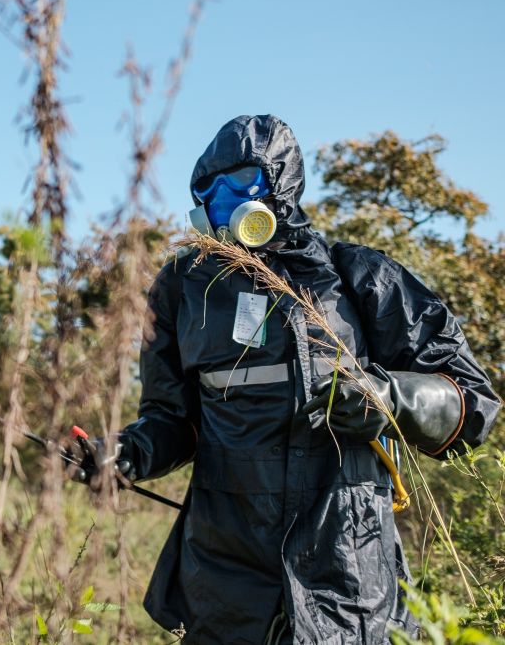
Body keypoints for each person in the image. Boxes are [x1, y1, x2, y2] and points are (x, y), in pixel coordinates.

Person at [74, 115, 500, 643]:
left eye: (242, 184)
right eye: (209, 190)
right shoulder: (183, 289)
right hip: (224, 581)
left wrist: (391, 396)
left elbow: (473, 402)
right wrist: (124, 453)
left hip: (347, 571)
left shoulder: (361, 278)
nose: (225, 201)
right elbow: (173, 421)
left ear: (281, 183)